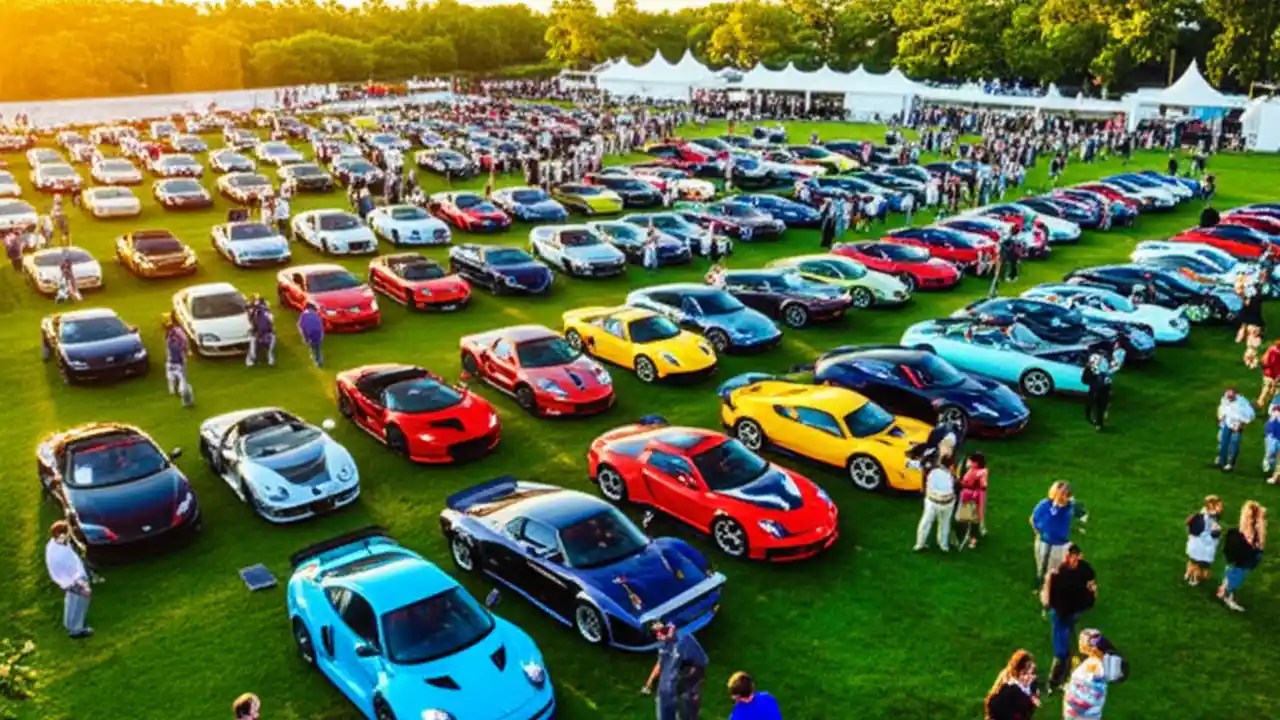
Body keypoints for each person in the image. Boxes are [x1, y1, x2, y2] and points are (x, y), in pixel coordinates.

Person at [1040, 544, 1097, 692]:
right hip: (1060, 613)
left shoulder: (1085, 569)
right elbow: (1048, 589)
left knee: (1074, 647)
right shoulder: (1059, 572)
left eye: (1075, 556)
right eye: (1070, 556)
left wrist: (1091, 596)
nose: (1072, 559)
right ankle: (1053, 682)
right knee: (1061, 652)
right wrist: (1047, 604)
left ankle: (1064, 679)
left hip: (1074, 611)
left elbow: (1091, 585)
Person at [642, 621, 708, 720]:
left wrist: (692, 688)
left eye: (658, 628)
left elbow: (701, 663)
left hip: (683, 694)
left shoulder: (685, 640)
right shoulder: (663, 646)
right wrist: (649, 683)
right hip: (665, 694)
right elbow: (660, 664)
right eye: (655, 634)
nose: (659, 635)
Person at [45, 520, 93, 639]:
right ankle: (76, 630)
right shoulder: (60, 554)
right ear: (61, 535)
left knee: (71, 600)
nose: (69, 534)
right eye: (67, 532)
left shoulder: (54, 544)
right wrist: (84, 586)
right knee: (80, 601)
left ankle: (69, 623)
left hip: (67, 582)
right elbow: (72, 571)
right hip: (73, 581)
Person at [1030, 482, 1084, 588]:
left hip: (1060, 544)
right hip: (1043, 540)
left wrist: (1072, 503)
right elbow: (1033, 519)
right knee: (1041, 562)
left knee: (1054, 566)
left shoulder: (1070, 508)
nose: (1063, 497)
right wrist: (1037, 531)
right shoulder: (1045, 504)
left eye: (1066, 494)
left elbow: (1082, 515)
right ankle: (1040, 581)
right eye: (1061, 494)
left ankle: (1050, 587)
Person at [1218, 500, 1266, 612]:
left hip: (1244, 557)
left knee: (1233, 573)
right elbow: (1259, 543)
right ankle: (1229, 598)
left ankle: (1223, 590)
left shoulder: (1250, 527)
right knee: (1236, 577)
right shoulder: (1247, 530)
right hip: (1244, 557)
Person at [1062, 630, 1122, 719]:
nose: (1079, 642)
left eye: (1081, 640)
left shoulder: (1094, 666)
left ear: (1093, 648)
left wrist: (1068, 692)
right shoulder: (1096, 662)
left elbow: (1088, 697)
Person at [984, 649, 1040, 720]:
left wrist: (1033, 697)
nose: (1030, 677)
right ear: (1017, 672)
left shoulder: (1031, 685)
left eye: (1032, 673)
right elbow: (994, 708)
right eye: (1025, 673)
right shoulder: (1007, 689)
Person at [914, 463, 955, 552]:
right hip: (942, 503)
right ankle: (943, 545)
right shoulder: (949, 476)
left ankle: (920, 544)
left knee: (926, 522)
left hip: (933, 502)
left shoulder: (934, 473)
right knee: (944, 523)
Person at [1184, 495, 1223, 587]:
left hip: (1200, 547)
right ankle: (1194, 578)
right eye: (1219, 506)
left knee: (1196, 563)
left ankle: (1189, 574)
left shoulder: (1210, 516)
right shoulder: (1205, 519)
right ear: (1211, 506)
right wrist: (1216, 532)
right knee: (1198, 565)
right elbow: (1209, 535)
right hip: (1201, 548)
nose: (1221, 508)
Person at [1217, 386, 1256, 471]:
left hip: (1237, 425)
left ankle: (1231, 463)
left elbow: (1251, 415)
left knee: (1234, 444)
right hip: (1227, 424)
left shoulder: (1242, 403)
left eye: (1231, 396)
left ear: (1235, 395)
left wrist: (1241, 424)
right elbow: (1222, 409)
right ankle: (1222, 462)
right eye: (1228, 395)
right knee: (1224, 443)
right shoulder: (1224, 399)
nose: (1229, 398)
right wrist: (1220, 418)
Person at [957, 452, 988, 548]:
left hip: (973, 497)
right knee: (968, 518)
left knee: (973, 519)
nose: (968, 462)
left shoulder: (980, 472)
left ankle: (973, 539)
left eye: (970, 460)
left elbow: (983, 486)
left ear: (976, 463)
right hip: (968, 495)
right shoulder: (971, 470)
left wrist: (963, 484)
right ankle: (970, 534)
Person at [1082, 349, 1117, 431]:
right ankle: (1098, 423)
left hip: (1097, 385)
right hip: (1102, 385)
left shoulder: (1094, 359)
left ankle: (1092, 418)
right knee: (1100, 405)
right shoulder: (1107, 361)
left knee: (1093, 402)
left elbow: (1087, 375)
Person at [164, 313, 194, 407]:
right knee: (174, 378)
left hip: (177, 360)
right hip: (173, 360)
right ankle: (177, 391)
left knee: (180, 379)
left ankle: (184, 396)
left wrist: (185, 350)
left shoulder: (176, 333)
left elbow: (184, 342)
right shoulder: (171, 334)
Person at [246, 295, 276, 367]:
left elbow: (254, 324)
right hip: (266, 334)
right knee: (270, 346)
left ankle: (252, 361)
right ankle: (270, 360)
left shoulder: (256, 312)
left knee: (253, 341)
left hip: (263, 334)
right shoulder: (267, 312)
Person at [298, 303, 325, 368]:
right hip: (319, 333)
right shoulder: (315, 314)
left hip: (310, 334)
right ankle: (320, 361)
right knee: (318, 348)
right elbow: (320, 324)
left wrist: (305, 338)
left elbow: (302, 327)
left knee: (313, 349)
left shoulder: (303, 315)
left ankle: (317, 362)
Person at [1257, 338, 1280, 407]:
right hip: (1275, 373)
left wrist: (1263, 365)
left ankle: (1260, 402)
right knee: (1276, 389)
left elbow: (1264, 359)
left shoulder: (1271, 349)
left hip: (1268, 372)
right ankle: (1274, 404)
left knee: (1266, 387)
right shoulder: (1276, 352)